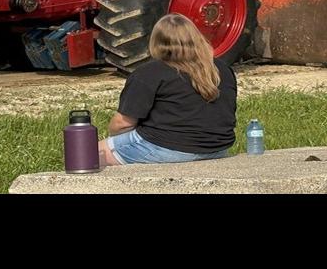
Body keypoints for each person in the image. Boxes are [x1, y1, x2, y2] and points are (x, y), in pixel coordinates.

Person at [100, 13, 237, 166]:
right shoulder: (223, 69)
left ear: (156, 42)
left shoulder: (149, 72)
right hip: (217, 149)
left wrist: (112, 136)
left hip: (166, 147)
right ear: (196, 38)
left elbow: (123, 124)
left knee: (89, 153)